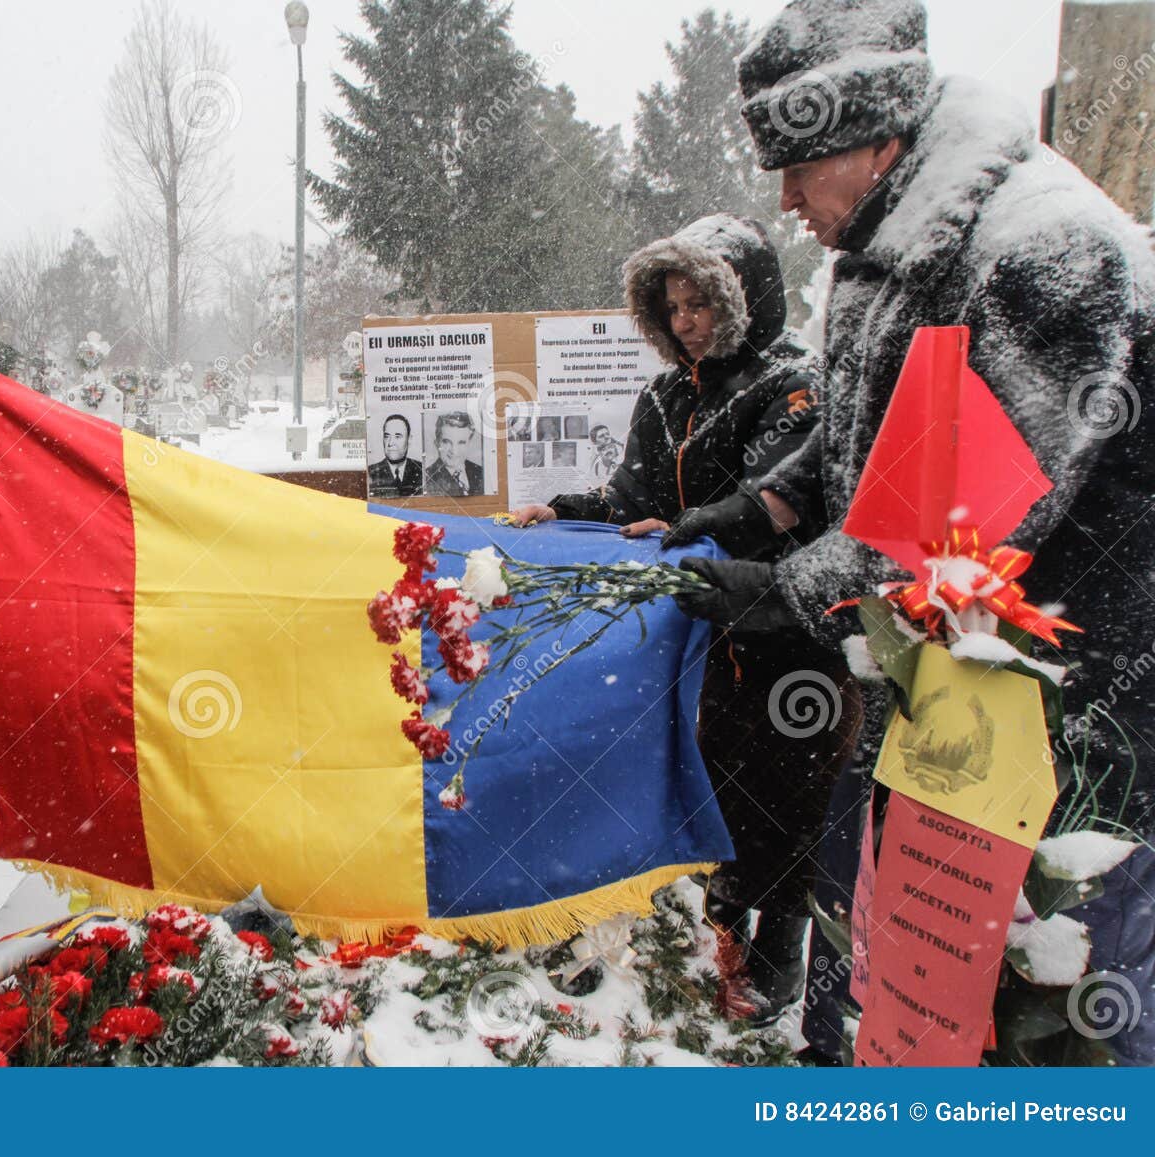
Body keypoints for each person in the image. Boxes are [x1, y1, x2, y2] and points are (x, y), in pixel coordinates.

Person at [677, 0, 1155, 1064]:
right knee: (887, 975)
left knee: (1048, 1005)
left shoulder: (1045, 252)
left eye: (800, 167)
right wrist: (759, 509)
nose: (787, 200)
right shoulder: (885, 251)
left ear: (877, 135)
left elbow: (972, 518)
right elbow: (868, 437)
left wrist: (784, 588)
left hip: (1068, 728)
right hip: (935, 696)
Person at [511, 214, 861, 1020]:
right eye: (670, 307)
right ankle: (715, 939)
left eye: (699, 302)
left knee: (789, 804)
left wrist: (691, 524)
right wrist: (561, 511)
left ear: (745, 299)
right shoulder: (667, 397)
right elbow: (634, 501)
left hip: (788, 641)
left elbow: (779, 503)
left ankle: (778, 961)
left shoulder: (793, 388)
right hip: (704, 646)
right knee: (715, 793)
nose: (684, 322)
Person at [423, 411, 483, 497]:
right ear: (437, 443)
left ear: (469, 444)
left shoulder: (480, 472)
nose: (454, 451)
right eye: (446, 442)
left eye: (461, 442)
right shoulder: (426, 477)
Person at [368, 413, 422, 498]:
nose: (390, 443)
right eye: (387, 436)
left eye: (397, 436)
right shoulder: (371, 472)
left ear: (409, 440)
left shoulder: (422, 470)